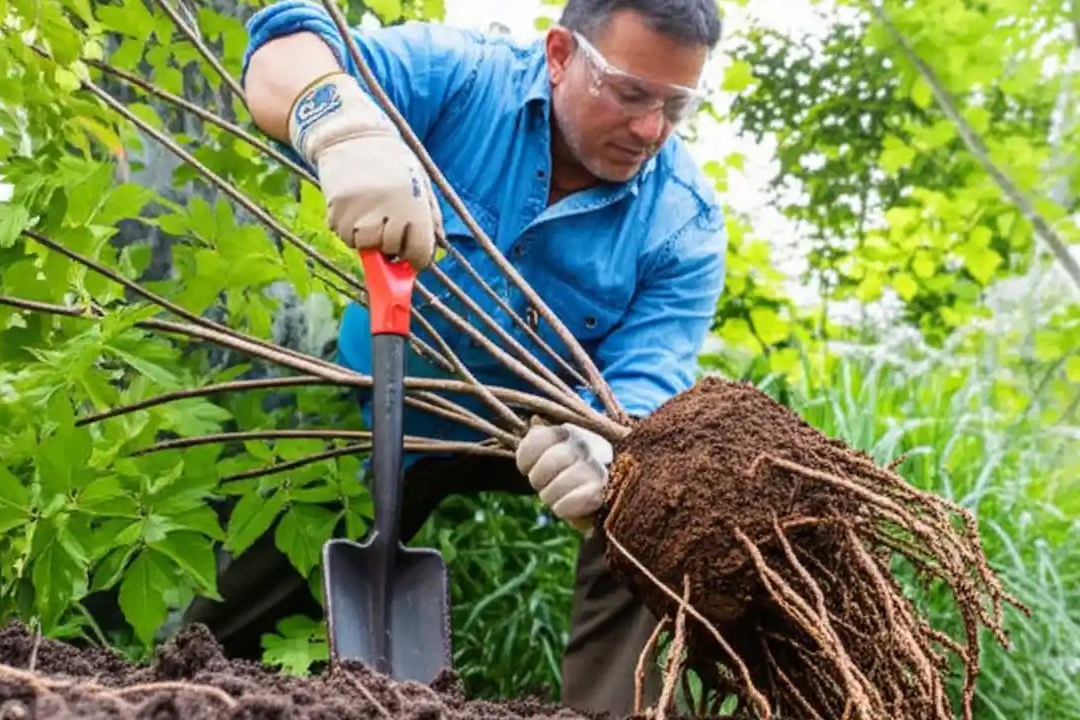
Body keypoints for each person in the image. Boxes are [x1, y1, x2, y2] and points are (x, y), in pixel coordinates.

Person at [182, 0, 727, 715]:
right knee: (256, 584)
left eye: (675, 106)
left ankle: (617, 710)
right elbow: (287, 41)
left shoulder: (682, 220)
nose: (650, 129)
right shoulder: (463, 79)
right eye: (629, 93)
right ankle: (188, 689)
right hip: (392, 399)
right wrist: (339, 123)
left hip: (543, 435)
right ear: (560, 54)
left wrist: (601, 441)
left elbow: (652, 370)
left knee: (664, 493)